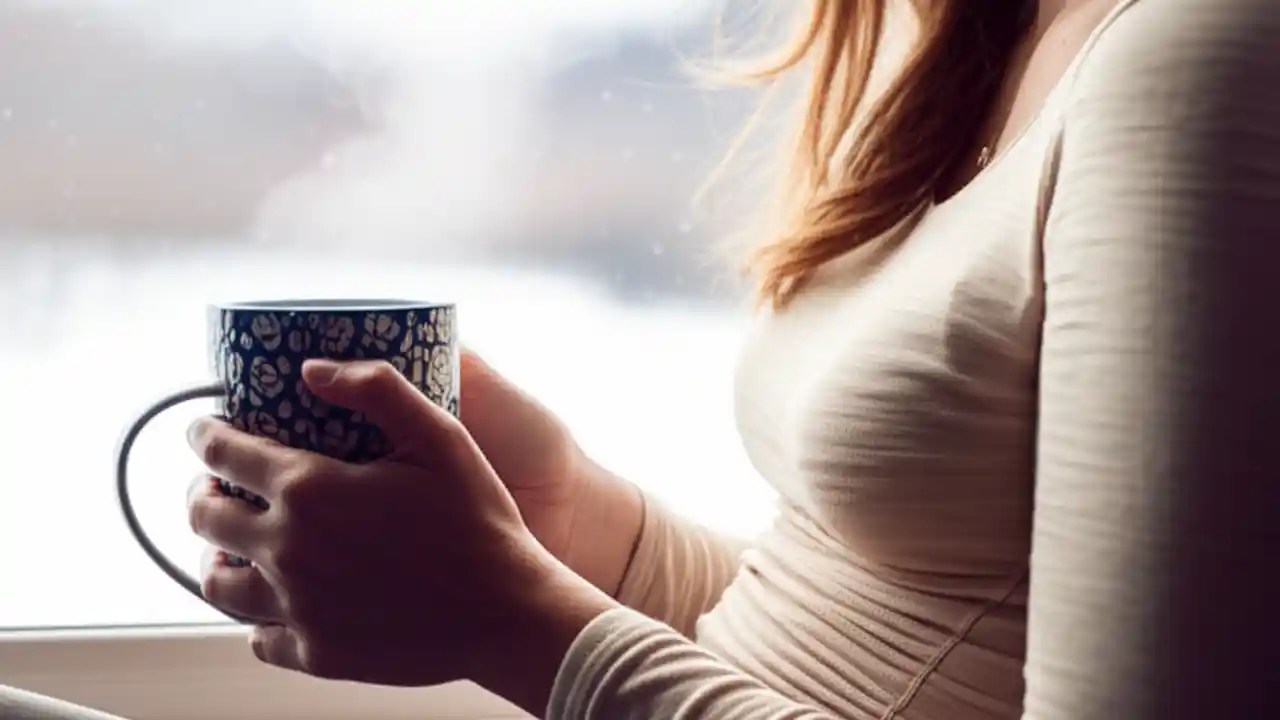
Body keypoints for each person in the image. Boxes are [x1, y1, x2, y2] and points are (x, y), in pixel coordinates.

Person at [5, 0, 1279, 717]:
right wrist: (585, 525)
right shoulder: (966, 34)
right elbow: (890, 616)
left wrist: (510, 619)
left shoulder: (1204, 56)